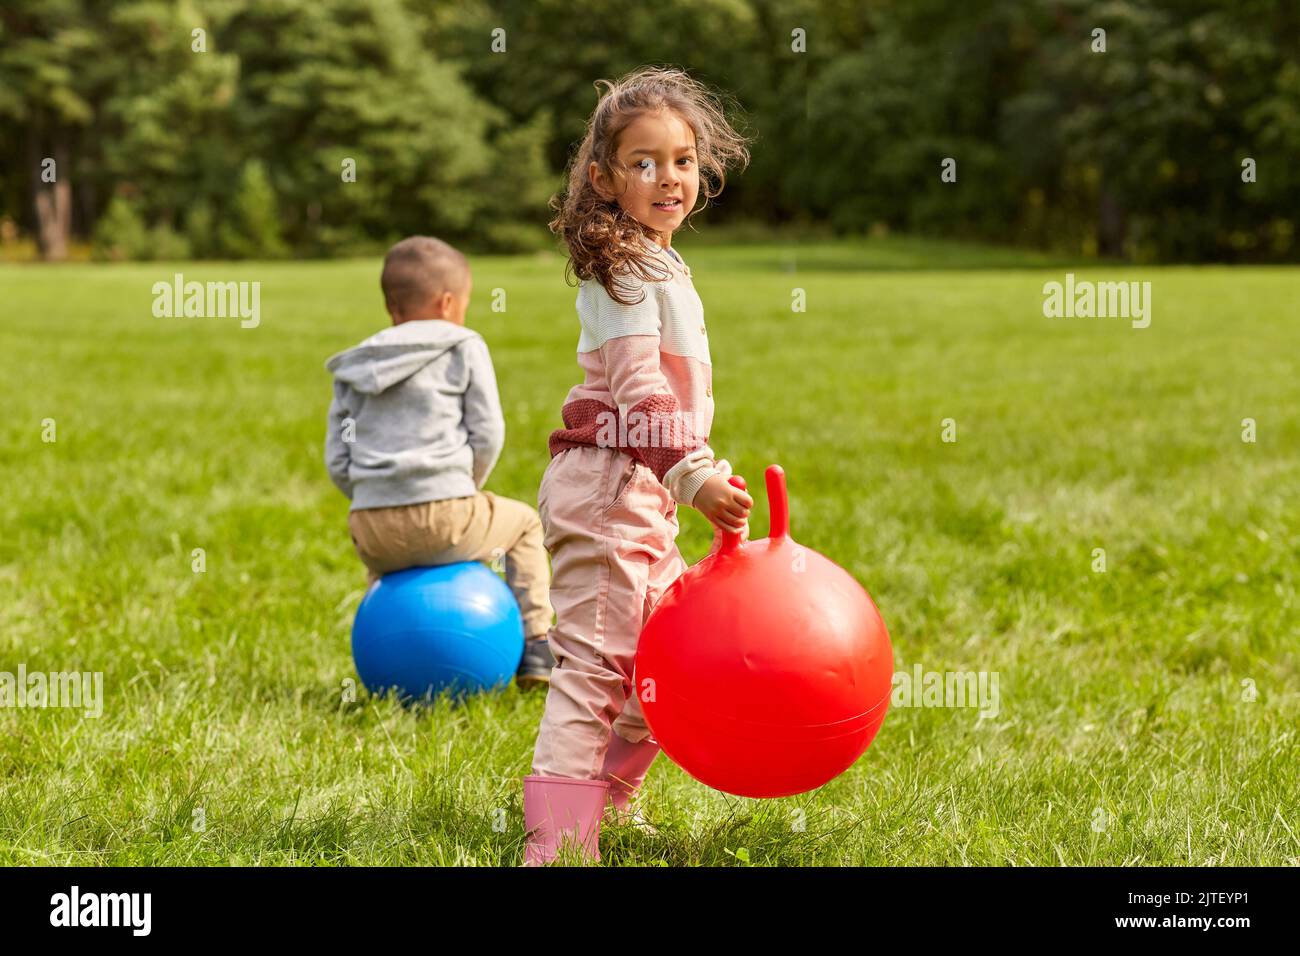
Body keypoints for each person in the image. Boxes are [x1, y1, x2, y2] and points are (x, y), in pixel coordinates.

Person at [523, 67, 753, 864]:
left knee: (668, 664)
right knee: (596, 667)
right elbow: (639, 394)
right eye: (645, 162)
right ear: (604, 178)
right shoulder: (622, 270)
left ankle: (611, 801)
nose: (668, 178)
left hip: (645, 493)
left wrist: (692, 472)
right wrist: (694, 476)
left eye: (683, 161)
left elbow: (671, 407)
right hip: (607, 491)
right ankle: (556, 840)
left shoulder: (657, 262)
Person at [325, 236, 556, 689]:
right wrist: (463, 485)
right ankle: (537, 646)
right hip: (447, 514)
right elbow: (488, 432)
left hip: (372, 532)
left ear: (392, 306)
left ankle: (393, 662)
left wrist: (375, 493)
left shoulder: (357, 364)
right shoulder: (462, 345)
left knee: (393, 569)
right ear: (449, 302)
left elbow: (338, 456)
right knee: (526, 524)